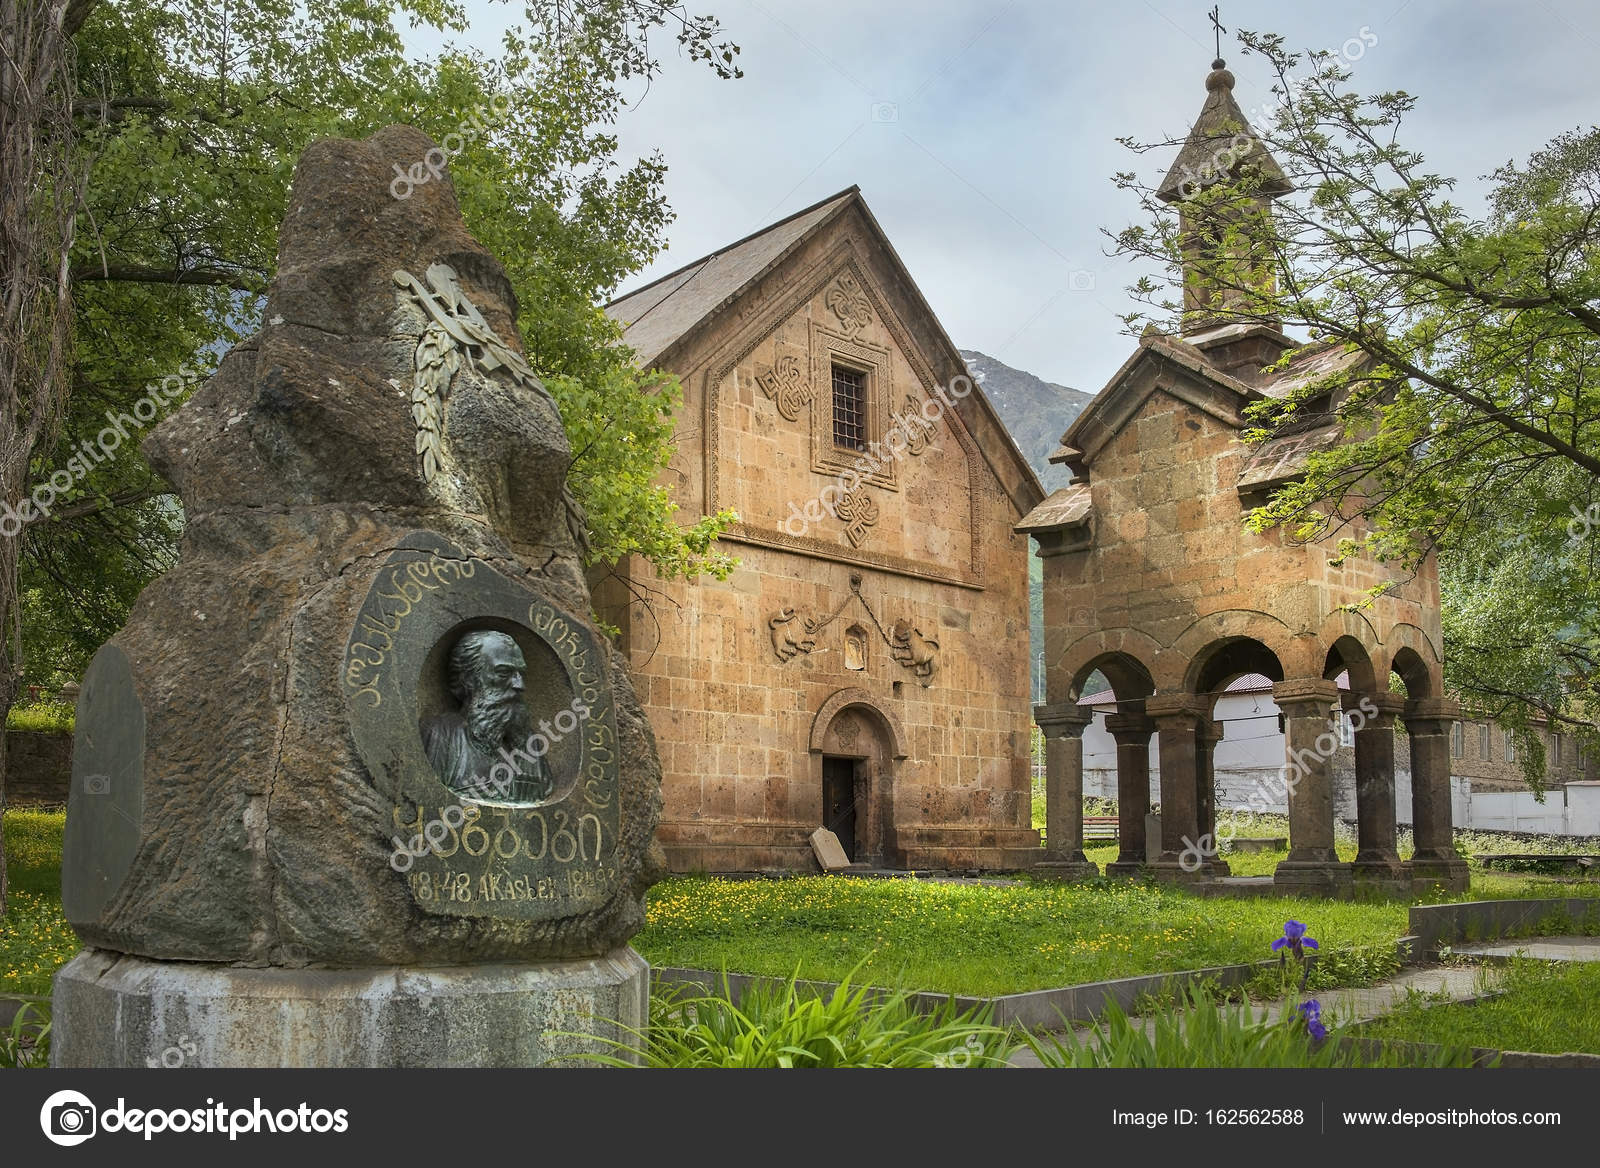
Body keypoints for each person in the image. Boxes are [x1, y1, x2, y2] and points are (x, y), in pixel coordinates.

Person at [420, 630, 552, 803]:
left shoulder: (531, 744)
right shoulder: (438, 734)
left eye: (520, 674)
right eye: (504, 672)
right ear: (468, 678)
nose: (520, 685)